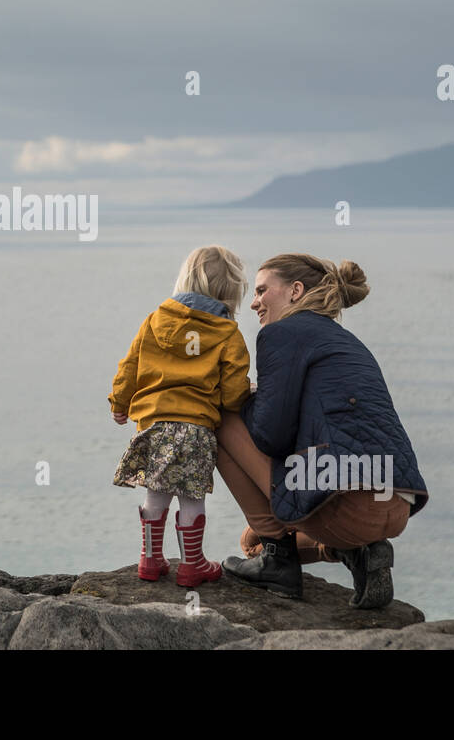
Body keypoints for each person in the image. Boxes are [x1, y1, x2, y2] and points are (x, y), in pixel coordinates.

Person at [217, 253, 429, 608]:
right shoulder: (346, 341)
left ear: (295, 291)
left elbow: (271, 436)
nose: (253, 302)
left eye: (261, 291)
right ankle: (357, 554)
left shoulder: (280, 334)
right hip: (395, 504)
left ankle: (278, 560)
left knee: (219, 416)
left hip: (349, 502)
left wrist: (247, 399)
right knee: (250, 542)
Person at [109, 246, 252, 587]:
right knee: (191, 496)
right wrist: (239, 397)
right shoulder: (228, 333)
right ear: (230, 293)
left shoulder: (156, 319)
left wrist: (120, 402)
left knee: (155, 492)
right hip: (196, 428)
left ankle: (150, 560)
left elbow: (130, 365)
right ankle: (192, 566)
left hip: (154, 425)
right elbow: (233, 392)